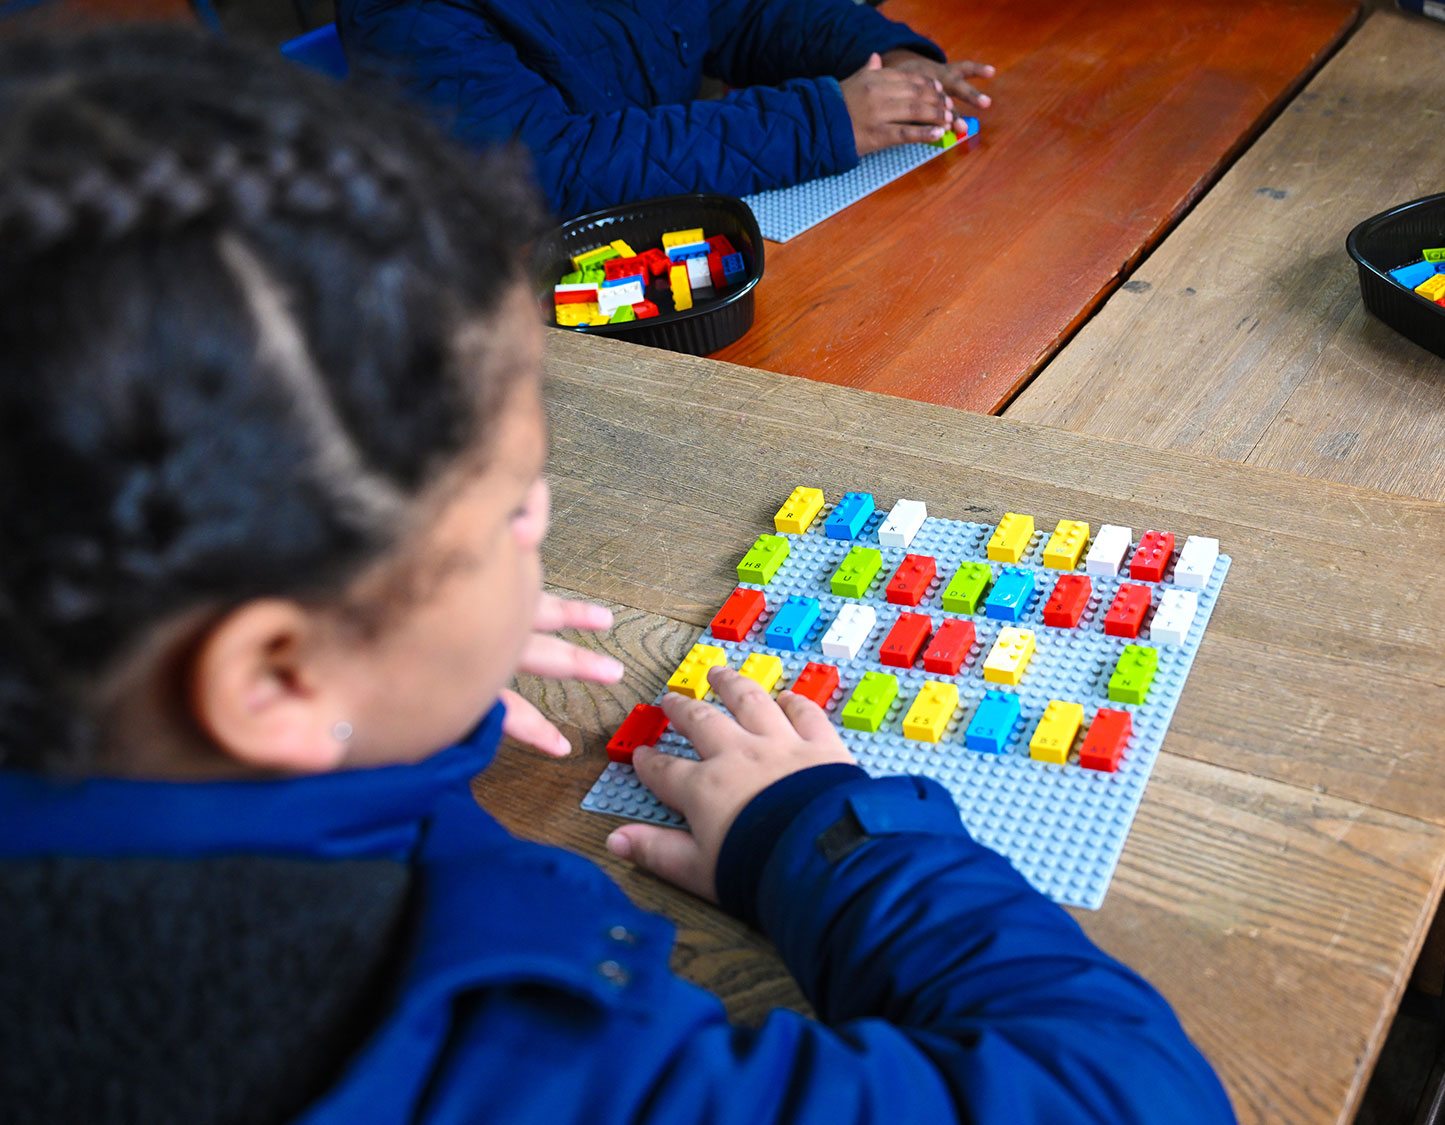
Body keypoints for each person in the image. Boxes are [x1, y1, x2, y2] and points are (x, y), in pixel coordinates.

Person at [0, 30, 1232, 1125]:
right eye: (505, 512)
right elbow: (1127, 1094)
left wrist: (386, 677)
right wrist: (817, 841)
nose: (539, 520)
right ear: (269, 670)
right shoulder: (493, 1065)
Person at [338, 0, 995, 218]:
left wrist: (885, 52)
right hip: (544, 309)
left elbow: (739, 12)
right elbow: (551, 168)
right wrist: (824, 122)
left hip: (683, 231)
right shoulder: (407, 13)